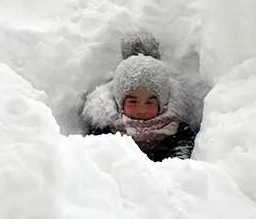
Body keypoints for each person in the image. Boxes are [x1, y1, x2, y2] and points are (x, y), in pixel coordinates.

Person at [83, 32, 197, 161]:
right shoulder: (104, 135)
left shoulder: (179, 135)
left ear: (163, 103)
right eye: (132, 102)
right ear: (119, 103)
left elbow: (181, 168)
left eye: (150, 102)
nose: (141, 110)